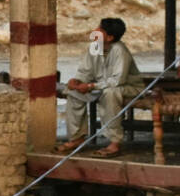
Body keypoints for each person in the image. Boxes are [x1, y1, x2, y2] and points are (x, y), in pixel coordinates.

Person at [56, 17, 145, 158]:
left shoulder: (120, 51)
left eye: (100, 30)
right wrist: (77, 80)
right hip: (101, 86)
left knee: (110, 93)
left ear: (109, 37)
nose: (95, 31)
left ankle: (115, 143)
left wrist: (91, 86)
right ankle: (77, 138)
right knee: (72, 92)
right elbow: (86, 71)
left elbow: (117, 80)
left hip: (129, 87)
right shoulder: (95, 47)